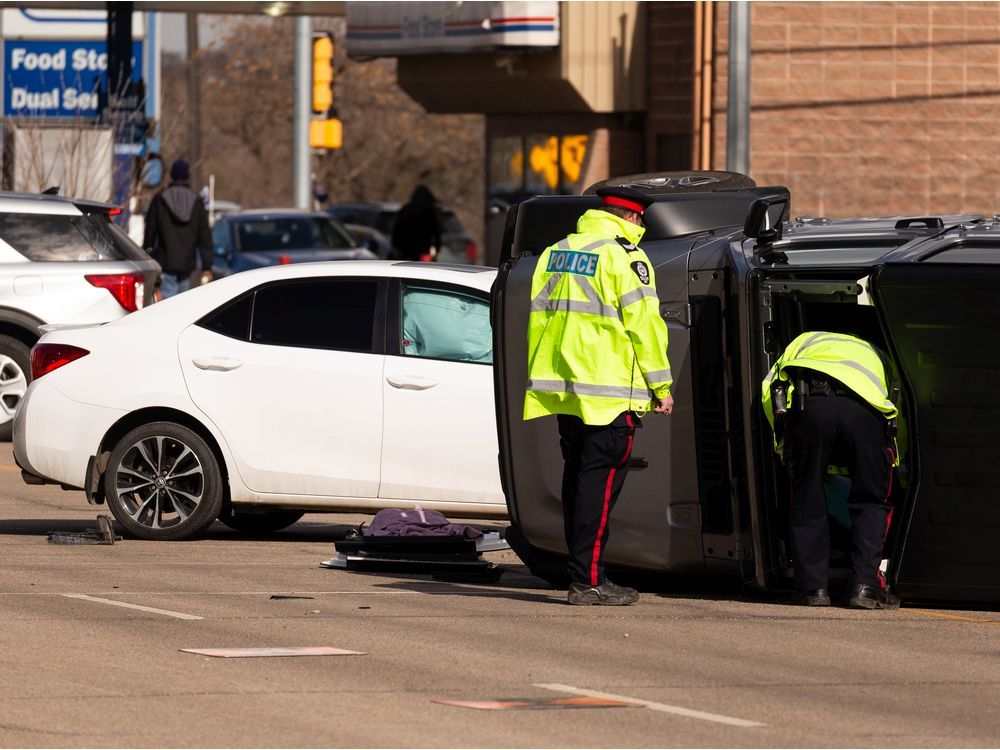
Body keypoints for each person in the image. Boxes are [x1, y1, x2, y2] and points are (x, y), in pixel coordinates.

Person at [524, 186, 673, 606]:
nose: (641, 228)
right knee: (598, 487)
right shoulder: (625, 256)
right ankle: (588, 580)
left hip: (566, 389)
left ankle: (580, 571)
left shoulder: (557, 251)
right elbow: (645, 326)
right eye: (641, 221)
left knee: (579, 482)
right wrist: (660, 386)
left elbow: (542, 316)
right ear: (630, 218)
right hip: (608, 392)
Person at [761, 331, 900, 610]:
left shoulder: (803, 341)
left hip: (811, 406)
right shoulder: (878, 352)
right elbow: (896, 401)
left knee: (807, 496)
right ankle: (864, 588)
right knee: (871, 500)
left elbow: (771, 393)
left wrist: (784, 448)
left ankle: (813, 589)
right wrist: (894, 460)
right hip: (865, 413)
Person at [143, 159, 214, 298]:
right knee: (184, 300)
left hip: (166, 261)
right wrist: (207, 266)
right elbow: (204, 235)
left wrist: (147, 255)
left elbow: (150, 231)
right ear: (187, 177)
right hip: (187, 263)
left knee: (168, 302)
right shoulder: (196, 201)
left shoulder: (160, 199)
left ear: (172, 175)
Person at [391, 185, 441, 262]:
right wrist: (436, 251)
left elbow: (396, 231)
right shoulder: (430, 212)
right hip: (422, 251)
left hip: (405, 251)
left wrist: (396, 247)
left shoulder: (405, 210)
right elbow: (436, 235)